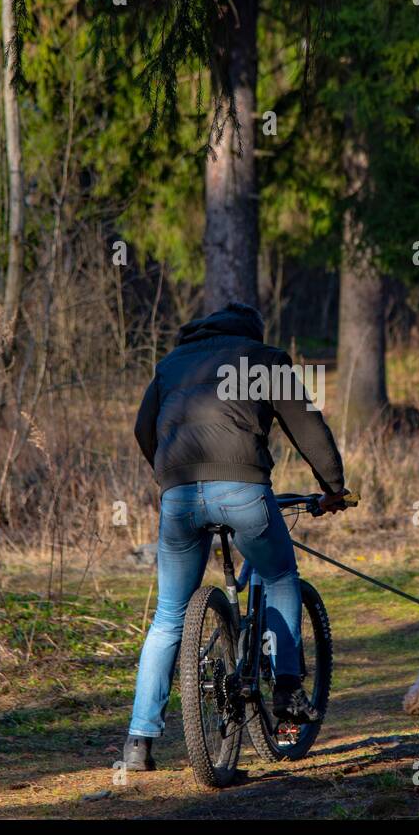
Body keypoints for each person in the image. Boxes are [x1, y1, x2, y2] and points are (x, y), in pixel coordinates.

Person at [123, 301, 349, 771]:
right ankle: (286, 689)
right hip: (243, 489)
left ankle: (139, 741)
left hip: (179, 497)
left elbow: (144, 430)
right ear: (252, 331)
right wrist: (332, 487)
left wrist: (174, 477)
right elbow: (306, 424)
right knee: (282, 575)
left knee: (169, 615)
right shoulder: (263, 359)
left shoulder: (171, 365)